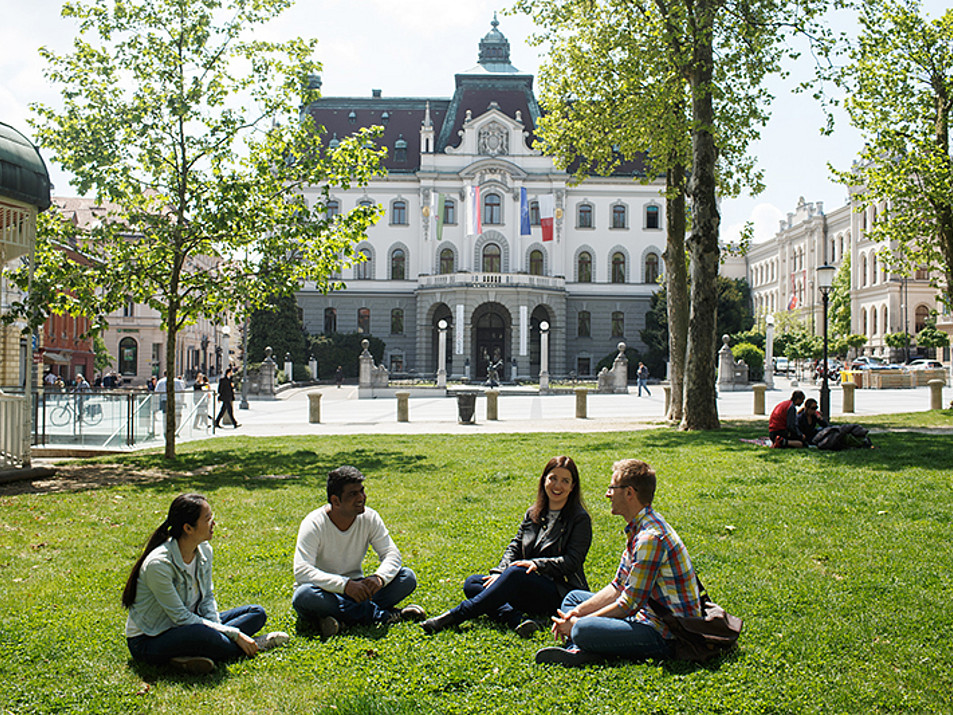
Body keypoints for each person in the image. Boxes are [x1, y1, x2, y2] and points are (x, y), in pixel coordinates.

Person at [536, 459, 702, 667]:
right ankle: (587, 647)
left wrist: (580, 623)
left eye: (612, 488)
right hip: (642, 615)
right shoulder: (640, 526)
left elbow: (628, 604)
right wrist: (577, 613)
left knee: (582, 628)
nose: (608, 494)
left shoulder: (650, 538)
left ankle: (582, 644)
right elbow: (618, 587)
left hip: (664, 633)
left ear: (629, 493)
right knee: (573, 599)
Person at [421, 456, 592, 638]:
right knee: (474, 583)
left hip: (557, 591)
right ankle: (516, 620)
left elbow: (572, 561)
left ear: (573, 486)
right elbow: (515, 545)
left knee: (516, 572)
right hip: (525, 584)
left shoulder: (579, 519)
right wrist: (498, 572)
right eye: (553, 478)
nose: (558, 486)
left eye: (565, 481)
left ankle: (455, 616)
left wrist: (537, 565)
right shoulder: (533, 512)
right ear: (544, 481)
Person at [122, 493, 288, 674]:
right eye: (208, 519)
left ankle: (187, 657)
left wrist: (220, 629)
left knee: (256, 613)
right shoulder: (159, 565)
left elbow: (207, 596)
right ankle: (255, 645)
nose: (214, 523)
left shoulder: (204, 550)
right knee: (202, 635)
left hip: (192, 624)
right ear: (188, 528)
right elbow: (181, 618)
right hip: (150, 639)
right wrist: (234, 634)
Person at [292, 465, 425, 637]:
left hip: (359, 589)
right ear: (336, 501)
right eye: (353, 494)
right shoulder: (314, 524)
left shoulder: (369, 517)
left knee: (407, 577)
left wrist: (379, 578)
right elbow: (302, 571)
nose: (361, 498)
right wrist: (344, 586)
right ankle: (382, 615)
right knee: (304, 596)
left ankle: (338, 620)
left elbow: (391, 554)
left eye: (362, 491)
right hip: (325, 591)